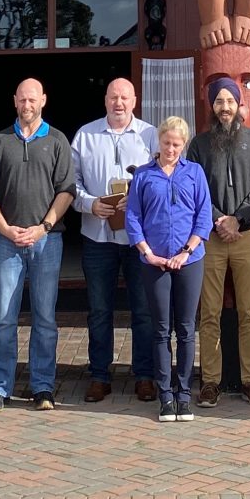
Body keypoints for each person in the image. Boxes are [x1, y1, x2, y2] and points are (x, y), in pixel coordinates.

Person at [0, 77, 75, 410]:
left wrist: (44, 227)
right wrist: (6, 228)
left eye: (32, 99)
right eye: (22, 99)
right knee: (4, 317)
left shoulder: (58, 140)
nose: (27, 105)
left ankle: (42, 388)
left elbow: (66, 190)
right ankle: (0, 388)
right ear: (14, 101)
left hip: (46, 242)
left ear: (44, 101)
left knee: (45, 318)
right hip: (6, 243)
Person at [186, 76, 250, 405]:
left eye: (230, 101)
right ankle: (210, 382)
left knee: (248, 312)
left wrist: (239, 218)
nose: (225, 108)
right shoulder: (199, 144)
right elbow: (194, 189)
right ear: (212, 105)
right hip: (210, 236)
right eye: (219, 101)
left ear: (239, 106)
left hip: (247, 235)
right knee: (210, 312)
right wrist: (219, 219)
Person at [72, 77, 158, 403]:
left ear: (134, 100)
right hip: (97, 236)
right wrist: (88, 203)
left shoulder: (150, 135)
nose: (118, 103)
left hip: (139, 240)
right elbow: (70, 181)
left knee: (144, 310)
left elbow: (159, 181)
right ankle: (99, 375)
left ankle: (145, 376)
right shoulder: (85, 135)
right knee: (99, 310)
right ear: (105, 100)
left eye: (124, 97)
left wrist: (137, 198)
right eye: (113, 97)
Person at [125, 116, 214, 422]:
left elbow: (204, 215)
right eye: (166, 143)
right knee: (161, 330)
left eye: (177, 144)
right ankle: (165, 395)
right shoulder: (144, 176)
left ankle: (185, 395)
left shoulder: (195, 173)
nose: (171, 149)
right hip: (155, 263)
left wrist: (187, 250)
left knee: (187, 329)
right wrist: (148, 253)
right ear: (158, 142)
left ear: (184, 144)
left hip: (189, 261)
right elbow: (133, 218)